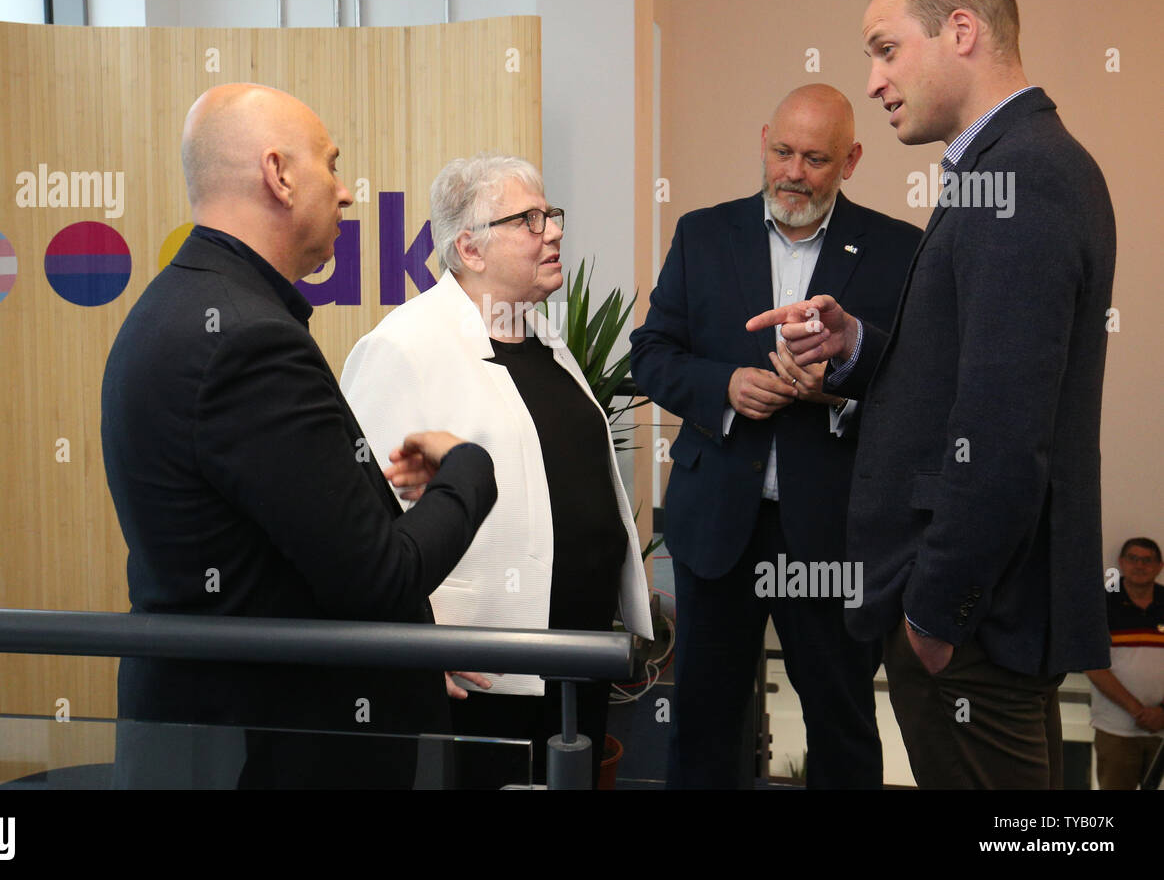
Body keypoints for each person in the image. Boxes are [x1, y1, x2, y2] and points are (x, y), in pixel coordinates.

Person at [748, 0, 1117, 788]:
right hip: (978, 615)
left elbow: (1004, 428)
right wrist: (858, 347)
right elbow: (970, 373)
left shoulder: (1022, 175)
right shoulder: (1011, 164)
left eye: (885, 50)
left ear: (961, 31)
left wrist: (932, 613)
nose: (873, 80)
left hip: (969, 625)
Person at [100, 83, 497, 789]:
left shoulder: (171, 307)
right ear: (279, 175)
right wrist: (471, 468)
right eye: (332, 164)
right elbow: (381, 577)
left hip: (209, 740)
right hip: (273, 752)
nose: (346, 193)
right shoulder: (249, 340)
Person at [630, 84, 921, 789]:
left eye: (815, 158)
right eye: (782, 151)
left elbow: (916, 388)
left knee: (842, 722)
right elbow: (652, 352)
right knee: (702, 724)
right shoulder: (703, 233)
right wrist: (725, 388)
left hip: (831, 530)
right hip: (716, 528)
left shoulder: (899, 250)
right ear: (764, 140)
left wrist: (836, 391)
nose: (793, 172)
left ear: (850, 160)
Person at [341, 154, 652, 788]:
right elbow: (363, 520)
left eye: (552, 215)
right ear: (470, 248)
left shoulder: (541, 337)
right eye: (530, 219)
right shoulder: (403, 347)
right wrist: (419, 644)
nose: (555, 231)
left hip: (574, 657)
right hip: (482, 668)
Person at [1086, 538, 1163, 789]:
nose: (1139, 565)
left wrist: (1162, 712)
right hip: (1115, 729)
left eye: (1147, 559)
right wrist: (1136, 710)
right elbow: (1094, 666)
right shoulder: (1100, 604)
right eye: (1133, 558)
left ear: (1159, 566)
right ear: (1121, 563)